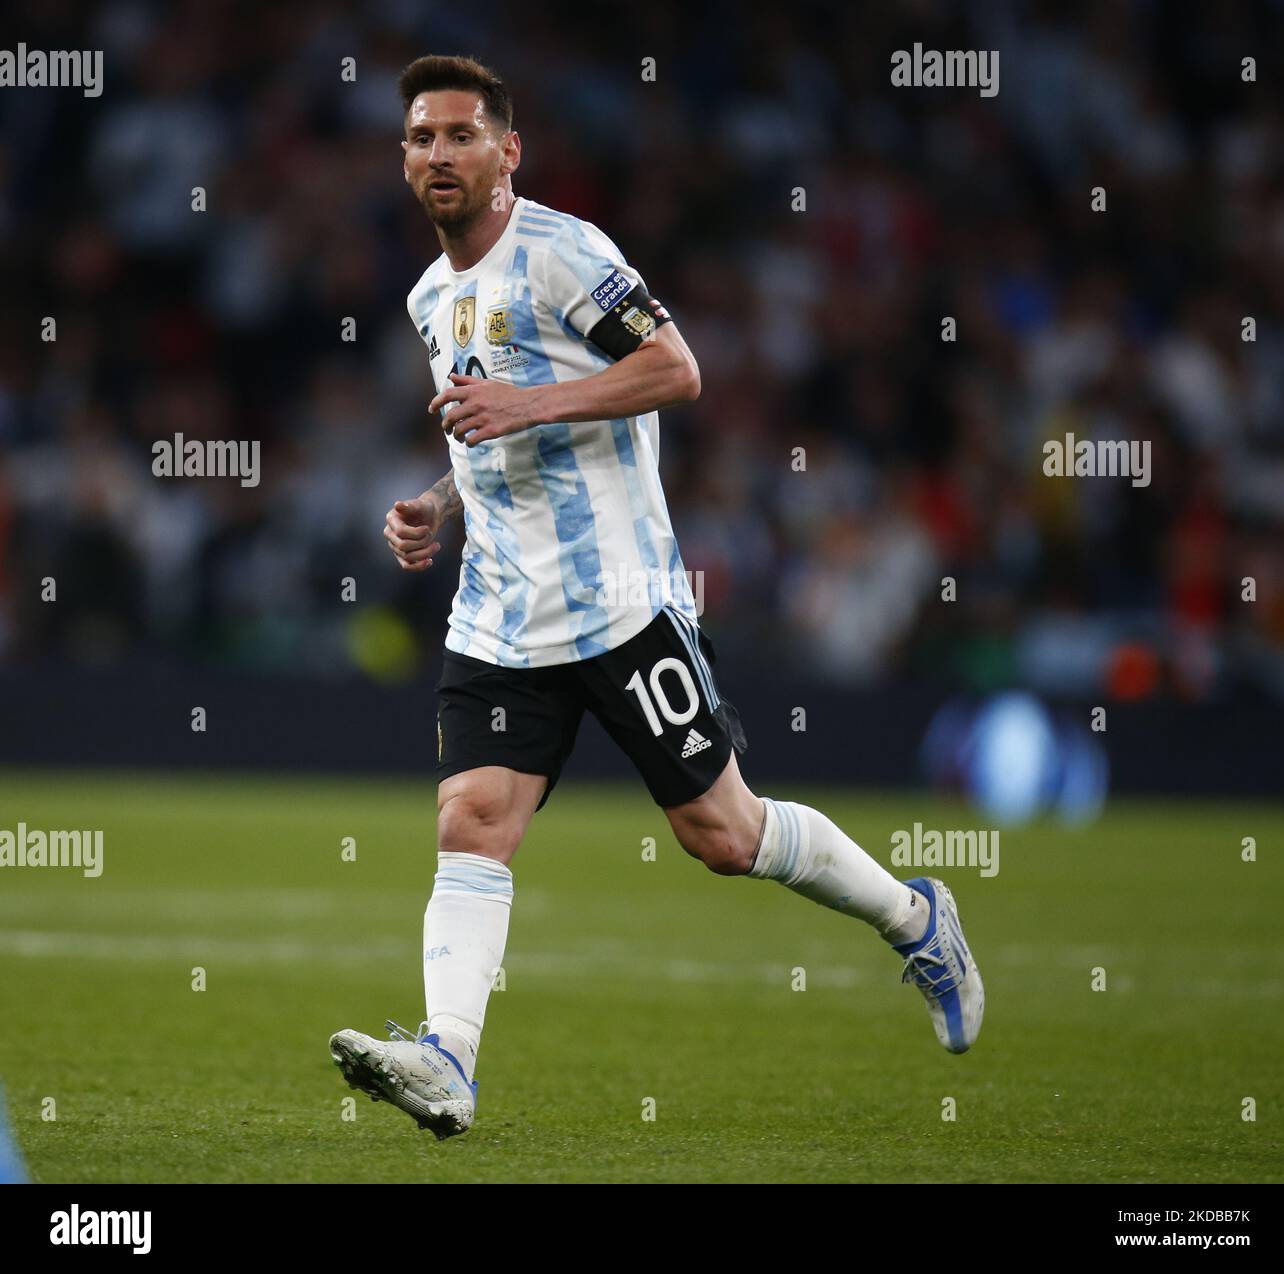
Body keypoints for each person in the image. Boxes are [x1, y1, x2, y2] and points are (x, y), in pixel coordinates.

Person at [329, 54, 983, 1139]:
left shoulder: (566, 252)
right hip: (499, 612)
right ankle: (448, 1057)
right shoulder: (429, 297)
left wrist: (529, 402)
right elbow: (487, 427)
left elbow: (676, 369)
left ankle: (917, 916)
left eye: (459, 134)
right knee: (471, 822)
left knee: (722, 834)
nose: (438, 154)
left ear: (506, 151)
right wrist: (440, 503)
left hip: (619, 603)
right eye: (419, 138)